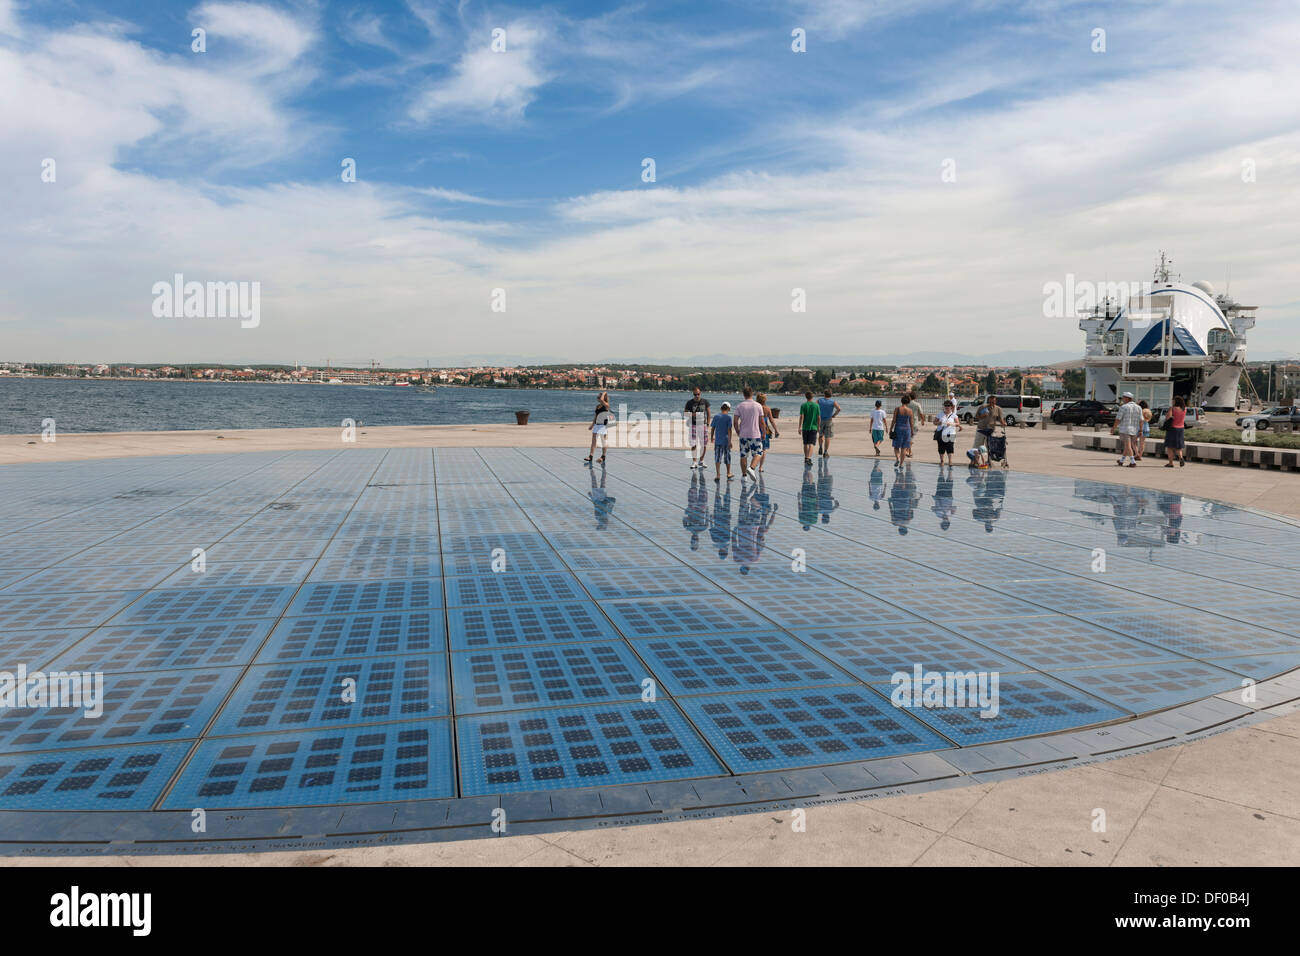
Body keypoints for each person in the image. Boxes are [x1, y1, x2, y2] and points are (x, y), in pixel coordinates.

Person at [734, 387, 765, 481]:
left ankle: (744, 476)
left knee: (743, 455)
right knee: (759, 452)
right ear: (752, 394)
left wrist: (737, 431)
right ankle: (751, 468)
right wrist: (763, 432)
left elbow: (735, 421)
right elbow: (762, 422)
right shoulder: (758, 406)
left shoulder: (740, 406)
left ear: (744, 394)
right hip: (755, 434)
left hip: (743, 434)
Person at [1112, 391, 1143, 467]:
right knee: (1127, 446)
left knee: (1128, 446)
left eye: (1123, 398)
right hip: (1134, 430)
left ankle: (1132, 462)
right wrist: (1141, 430)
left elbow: (1118, 419)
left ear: (1126, 398)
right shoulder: (1138, 407)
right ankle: (1121, 460)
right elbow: (1141, 420)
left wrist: (1113, 428)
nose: (1122, 399)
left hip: (1125, 429)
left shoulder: (1123, 407)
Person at [684, 387, 710, 469]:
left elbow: (709, 413)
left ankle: (701, 460)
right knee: (693, 444)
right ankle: (694, 461)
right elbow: (685, 413)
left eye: (698, 394)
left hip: (703, 425)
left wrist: (708, 424)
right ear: (693, 394)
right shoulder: (689, 403)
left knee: (704, 444)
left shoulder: (705, 402)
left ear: (700, 393)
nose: (697, 396)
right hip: (693, 425)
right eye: (695, 394)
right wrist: (693, 415)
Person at [933, 399, 962, 466]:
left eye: (948, 406)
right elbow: (934, 422)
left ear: (951, 407)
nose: (947, 407)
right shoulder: (940, 414)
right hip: (941, 433)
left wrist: (951, 424)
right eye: (945, 405)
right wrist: (939, 423)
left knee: (950, 447)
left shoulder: (954, 415)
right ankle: (942, 461)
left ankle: (950, 461)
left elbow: (958, 424)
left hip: (950, 433)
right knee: (941, 448)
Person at [889, 394, 916, 467]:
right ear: (908, 402)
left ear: (901, 401)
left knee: (896, 446)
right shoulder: (910, 410)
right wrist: (912, 431)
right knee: (904, 447)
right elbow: (911, 422)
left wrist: (891, 429)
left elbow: (894, 420)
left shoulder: (897, 409)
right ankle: (901, 464)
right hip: (907, 429)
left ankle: (897, 458)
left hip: (898, 429)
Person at [585, 391, 612, 463]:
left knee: (603, 441)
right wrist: (592, 425)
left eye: (598, 397)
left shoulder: (606, 405)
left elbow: (602, 400)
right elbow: (596, 416)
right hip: (597, 425)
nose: (597, 398)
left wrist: (604, 393)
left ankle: (603, 456)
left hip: (603, 425)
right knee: (593, 442)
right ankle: (590, 456)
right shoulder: (597, 406)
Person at [755, 392, 779, 473]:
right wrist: (776, 430)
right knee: (764, 449)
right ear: (765, 400)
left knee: (755, 448)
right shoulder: (767, 409)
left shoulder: (755, 408)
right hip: (765, 429)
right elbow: (771, 420)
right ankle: (760, 467)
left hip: (755, 428)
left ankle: (754, 465)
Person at [711, 401, 734, 481]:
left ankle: (718, 474)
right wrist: (730, 441)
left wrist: (711, 437)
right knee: (727, 457)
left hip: (718, 441)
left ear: (721, 408)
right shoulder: (729, 418)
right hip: (726, 441)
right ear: (729, 409)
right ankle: (728, 473)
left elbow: (713, 428)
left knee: (717, 457)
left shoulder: (716, 416)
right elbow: (729, 430)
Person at [1163, 395, 1188, 467]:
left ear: (1175, 401)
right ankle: (1181, 458)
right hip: (1181, 429)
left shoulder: (1172, 409)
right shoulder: (1184, 409)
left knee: (1170, 447)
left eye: (1173, 400)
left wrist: (1168, 414)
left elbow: (1168, 418)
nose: (1172, 402)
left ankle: (1171, 463)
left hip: (1172, 429)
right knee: (1178, 447)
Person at [817, 389, 841, 457]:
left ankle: (820, 447)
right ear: (831, 394)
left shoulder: (819, 400)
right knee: (827, 437)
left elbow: (814, 406)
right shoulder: (833, 402)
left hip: (820, 419)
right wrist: (834, 415)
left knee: (821, 435)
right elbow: (839, 409)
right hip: (829, 420)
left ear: (824, 394)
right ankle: (825, 452)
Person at [798, 390, 820, 465]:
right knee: (811, 443)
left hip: (805, 427)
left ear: (806, 397)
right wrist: (818, 426)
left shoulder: (803, 405)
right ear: (812, 397)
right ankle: (808, 458)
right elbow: (818, 417)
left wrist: (799, 427)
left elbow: (801, 416)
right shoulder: (816, 406)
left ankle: (806, 457)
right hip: (813, 427)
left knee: (805, 443)